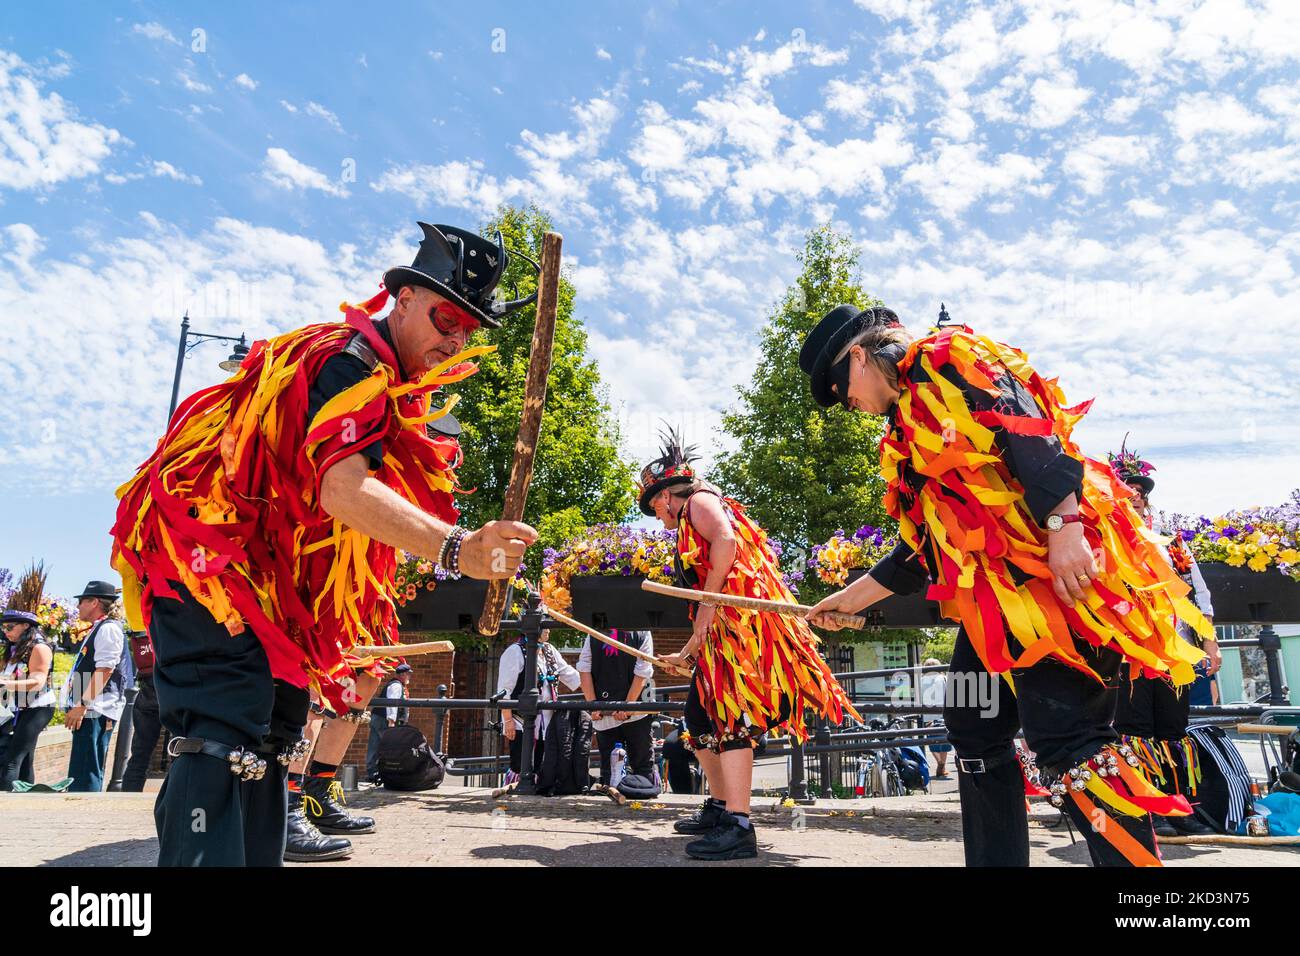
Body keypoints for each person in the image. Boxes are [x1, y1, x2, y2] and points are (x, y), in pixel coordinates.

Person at [110, 221, 538, 866]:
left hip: (260, 579)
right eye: (447, 317)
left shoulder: (383, 384)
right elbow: (343, 490)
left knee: (276, 730)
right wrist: (459, 550)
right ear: (404, 299)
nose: (455, 340)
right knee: (226, 731)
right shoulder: (348, 362)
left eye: (470, 331)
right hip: (207, 560)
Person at [802, 305, 1210, 867]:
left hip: (1051, 584)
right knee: (973, 728)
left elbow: (1031, 431)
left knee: (1066, 740)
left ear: (858, 357)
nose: (846, 404)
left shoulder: (948, 358)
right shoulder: (905, 435)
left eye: (838, 388)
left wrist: (1065, 525)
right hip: (993, 600)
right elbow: (928, 544)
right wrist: (851, 598)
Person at [641, 429, 861, 861]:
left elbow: (726, 541)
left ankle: (739, 826)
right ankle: (722, 809)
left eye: (653, 506)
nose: (656, 516)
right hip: (724, 633)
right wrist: (685, 653)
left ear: (667, 495)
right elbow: (710, 600)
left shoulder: (699, 501)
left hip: (740, 635)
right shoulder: (692, 513)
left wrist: (707, 604)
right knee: (698, 721)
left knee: (730, 719)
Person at [1107, 439, 1217, 837]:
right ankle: (1140, 809)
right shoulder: (1106, 540)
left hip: (1173, 653)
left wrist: (1209, 642)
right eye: (1127, 496)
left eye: (1139, 498)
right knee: (1133, 731)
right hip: (1128, 655)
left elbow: (1196, 593)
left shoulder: (1172, 543)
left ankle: (1177, 809)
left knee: (1173, 730)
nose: (1134, 502)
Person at [63, 581, 132, 793]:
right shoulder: (102, 628)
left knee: (86, 769)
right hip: (92, 708)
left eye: (82, 601)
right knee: (83, 768)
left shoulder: (109, 628)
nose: (78, 607)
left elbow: (105, 670)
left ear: (94, 602)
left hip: (95, 709)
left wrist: (82, 705)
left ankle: (84, 816)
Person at [497, 629, 581, 786]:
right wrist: (508, 720)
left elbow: (569, 674)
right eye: (544, 625)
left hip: (548, 720)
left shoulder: (549, 650)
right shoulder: (515, 652)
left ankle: (540, 790)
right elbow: (504, 690)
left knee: (543, 763)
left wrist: (592, 682)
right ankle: (517, 793)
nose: (548, 629)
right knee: (521, 763)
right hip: (521, 720)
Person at [0, 571, 57, 791]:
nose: (6, 632)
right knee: (26, 758)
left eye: (9, 627)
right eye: (3, 628)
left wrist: (6, 683)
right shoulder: (13, 649)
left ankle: (5, 801)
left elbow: (38, 681)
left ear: (25, 626)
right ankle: (28, 798)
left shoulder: (40, 648)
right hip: (19, 707)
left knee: (12, 758)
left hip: (38, 707)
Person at [578, 630, 655, 791]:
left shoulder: (594, 632)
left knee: (618, 769)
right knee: (632, 768)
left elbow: (584, 667)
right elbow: (643, 669)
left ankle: (639, 798)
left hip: (626, 711)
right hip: (622, 711)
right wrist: (594, 704)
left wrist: (596, 703)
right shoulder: (641, 631)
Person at [120, 629, 162, 792]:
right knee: (180, 752)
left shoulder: (140, 634)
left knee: (139, 754)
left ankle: (128, 798)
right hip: (171, 692)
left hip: (146, 693)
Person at [367, 662, 411, 783]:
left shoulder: (395, 684)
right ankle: (382, 772)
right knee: (387, 747)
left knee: (375, 745)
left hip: (379, 717)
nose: (409, 678)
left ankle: (373, 772)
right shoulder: (396, 685)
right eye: (408, 675)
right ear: (402, 675)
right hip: (384, 719)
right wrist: (391, 721)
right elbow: (392, 703)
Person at [918, 658, 951, 779]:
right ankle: (943, 765)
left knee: (931, 740)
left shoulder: (921, 681)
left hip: (927, 715)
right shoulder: (943, 678)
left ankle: (939, 763)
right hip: (943, 713)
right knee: (945, 739)